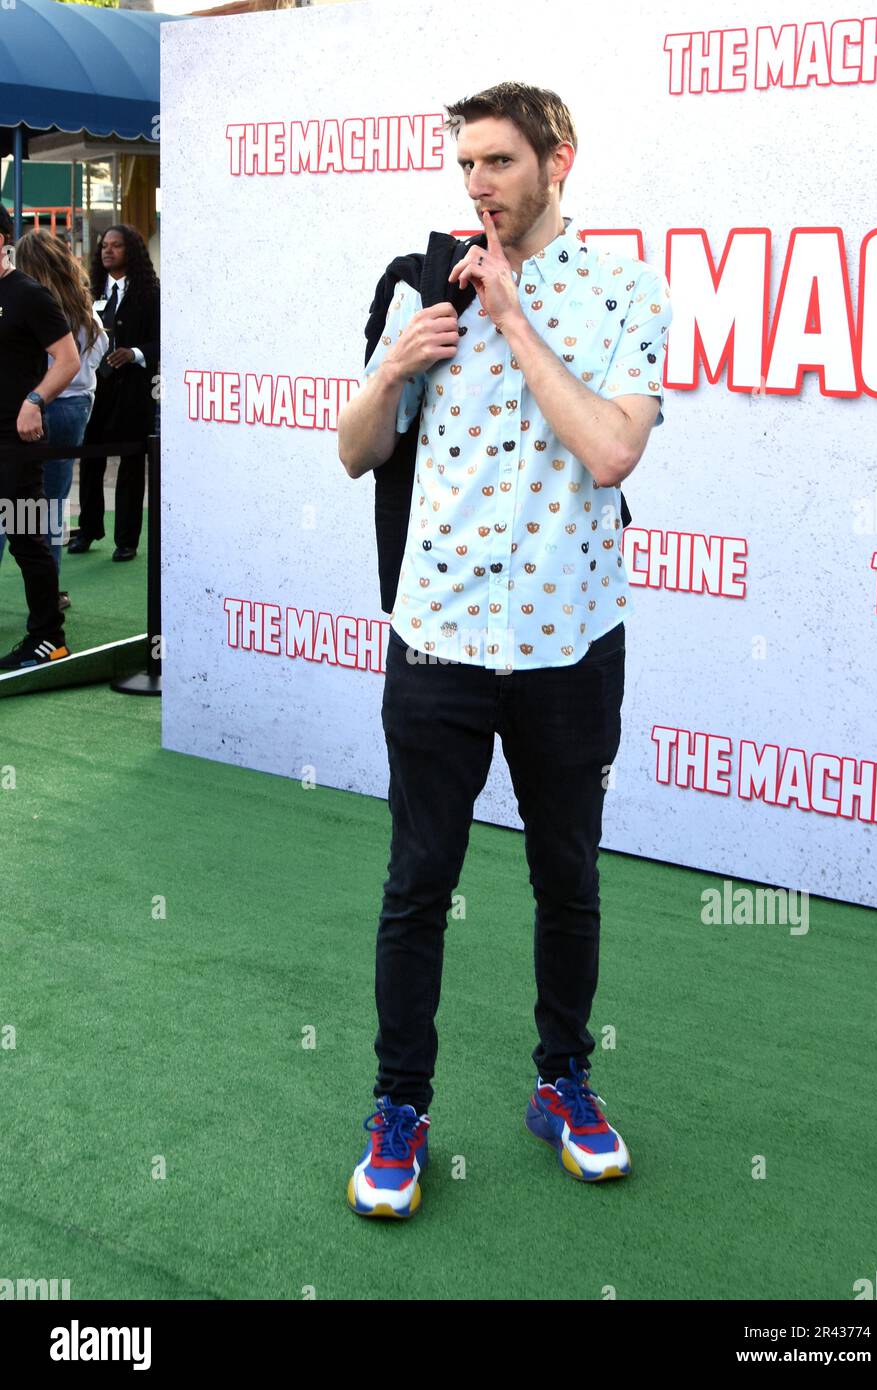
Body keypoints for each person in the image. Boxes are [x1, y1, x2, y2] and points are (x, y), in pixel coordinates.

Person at [338, 82, 673, 1219]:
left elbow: (611, 451)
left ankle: (563, 1080)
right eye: (466, 164)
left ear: (557, 160)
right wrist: (395, 365)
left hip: (569, 645)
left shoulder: (627, 291)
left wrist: (515, 320)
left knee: (566, 875)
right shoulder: (420, 283)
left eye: (497, 162)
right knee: (417, 881)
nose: (476, 185)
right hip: (436, 640)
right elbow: (353, 452)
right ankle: (399, 1109)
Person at [0, 229, 108, 610]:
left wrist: (37, 394)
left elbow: (50, 359)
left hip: (36, 406)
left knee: (15, 506)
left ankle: (44, 608)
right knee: (49, 506)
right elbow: (98, 349)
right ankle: (52, 593)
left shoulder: (26, 296)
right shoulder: (77, 302)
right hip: (74, 404)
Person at [0, 204, 79, 670]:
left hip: (16, 441)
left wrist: (35, 400)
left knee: (27, 536)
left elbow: (67, 359)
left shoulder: (27, 294)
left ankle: (49, 637)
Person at [68, 224, 160, 561]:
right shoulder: (87, 291)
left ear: (130, 251)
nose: (108, 250)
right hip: (96, 389)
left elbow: (163, 341)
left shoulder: (151, 293)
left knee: (131, 465)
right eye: (104, 245)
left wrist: (134, 353)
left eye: (116, 245)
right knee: (91, 459)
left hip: (135, 391)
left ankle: (127, 540)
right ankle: (89, 529)